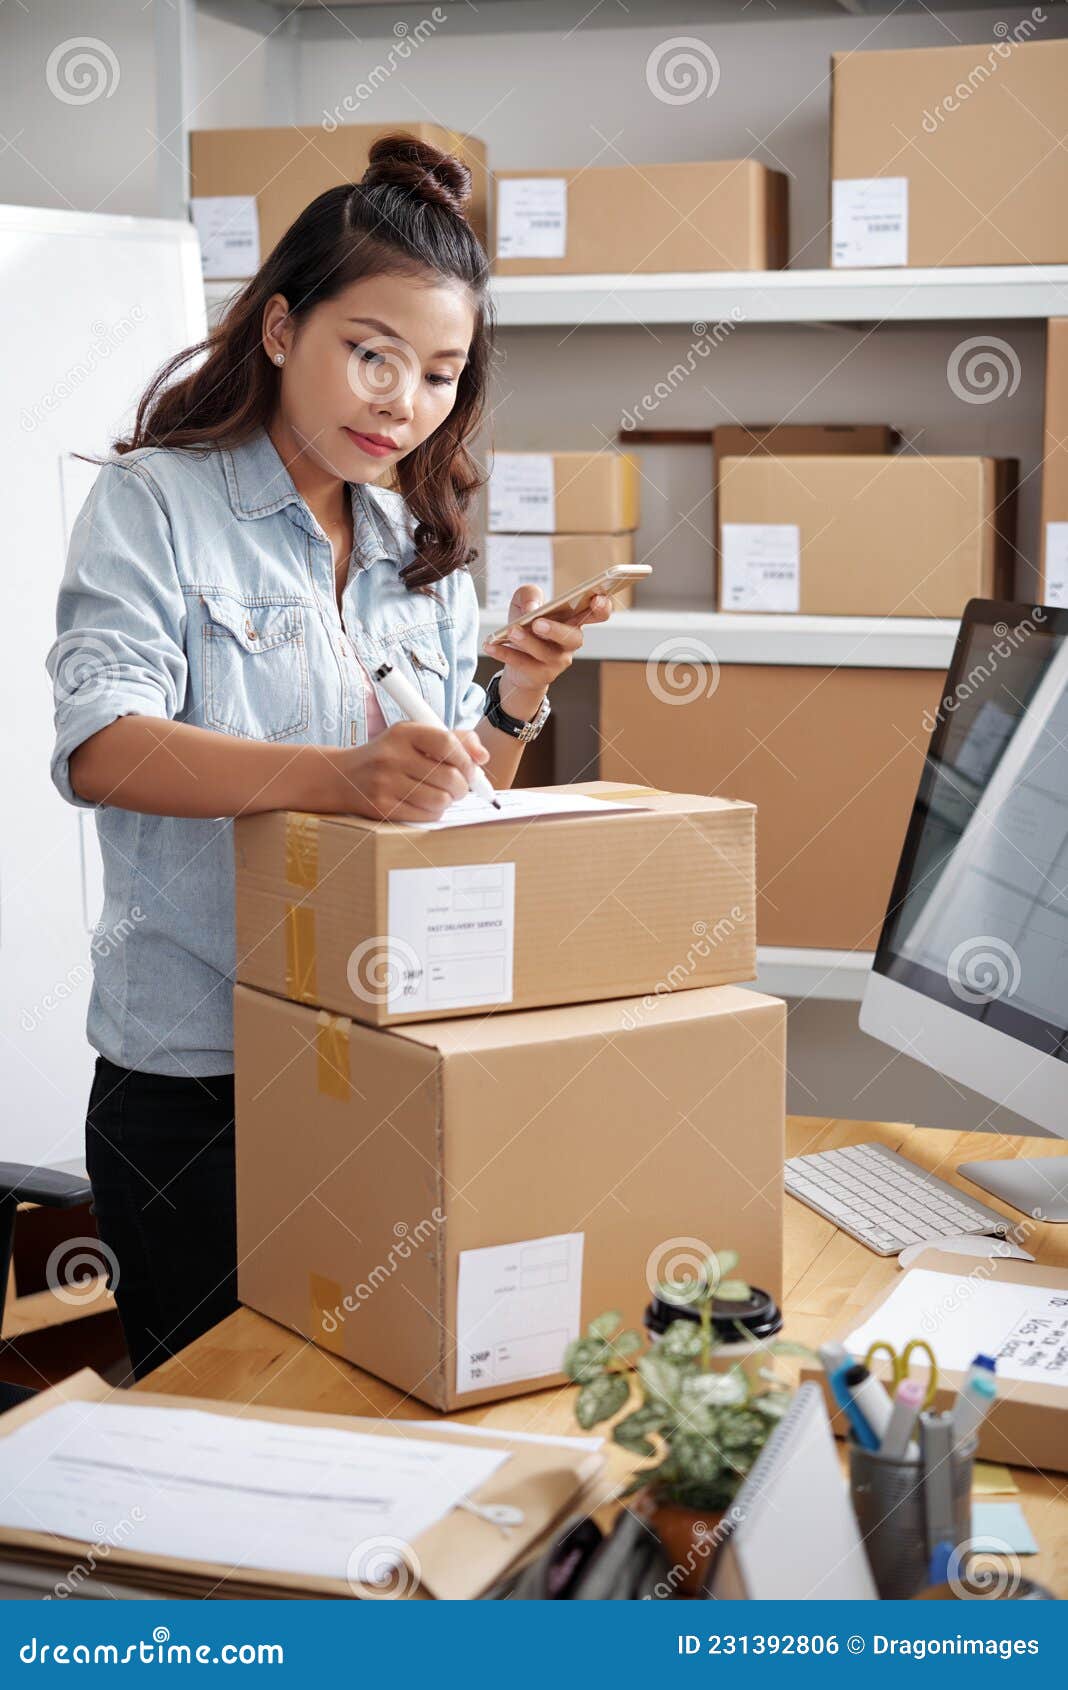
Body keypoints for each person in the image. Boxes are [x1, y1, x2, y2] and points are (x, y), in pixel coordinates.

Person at [46, 134, 615, 1379]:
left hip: (381, 1062)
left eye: (440, 374)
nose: (402, 401)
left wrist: (518, 694)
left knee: (372, 1414)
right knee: (220, 1431)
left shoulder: (422, 543)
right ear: (280, 328)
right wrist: (335, 777)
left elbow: (445, 802)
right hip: (198, 1089)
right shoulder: (157, 504)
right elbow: (103, 747)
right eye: (372, 353)